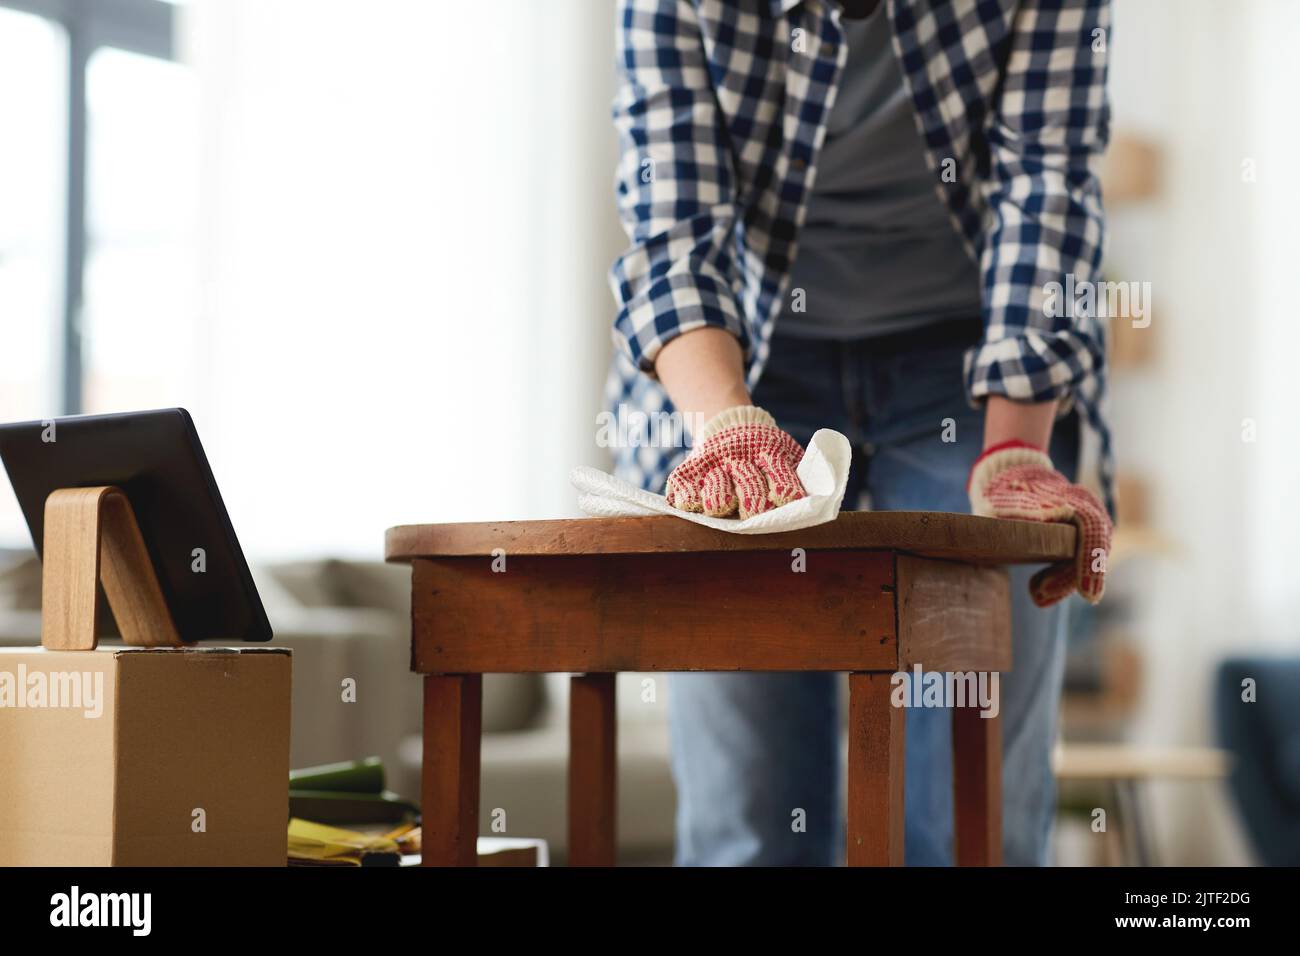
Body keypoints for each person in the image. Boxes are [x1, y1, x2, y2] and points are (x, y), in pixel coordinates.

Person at [606, 0, 1114, 865]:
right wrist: (727, 423)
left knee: (965, 826)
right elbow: (672, 222)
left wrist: (1016, 447)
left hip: (964, 366)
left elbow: (1049, 185)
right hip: (744, 360)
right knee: (749, 822)